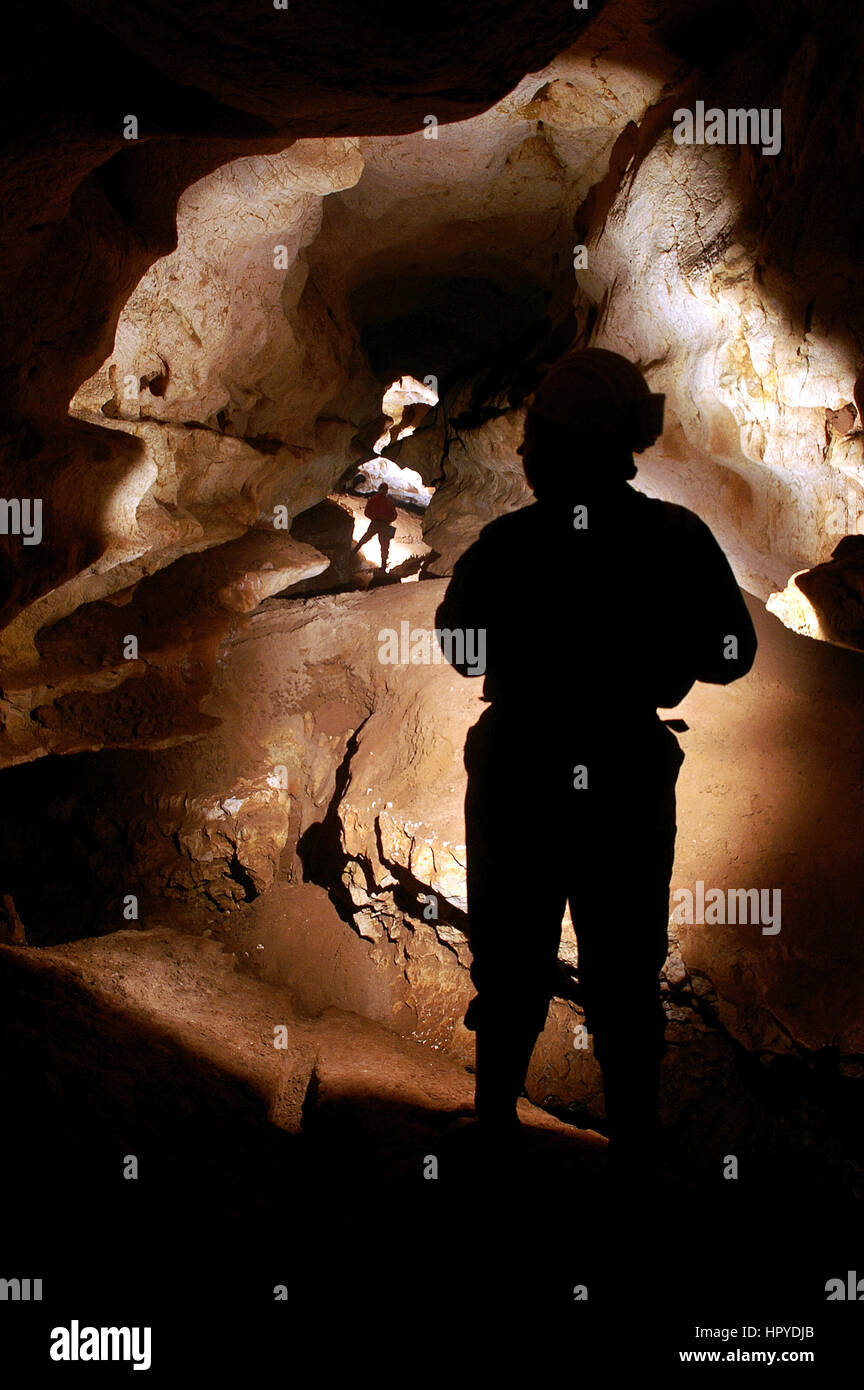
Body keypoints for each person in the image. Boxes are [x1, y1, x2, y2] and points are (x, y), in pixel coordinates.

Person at [435, 348, 757, 1169]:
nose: (523, 453)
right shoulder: (675, 538)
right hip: (623, 768)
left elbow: (460, 650)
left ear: (556, 447)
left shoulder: (507, 544)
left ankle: (495, 1126)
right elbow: (731, 654)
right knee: (623, 973)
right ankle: (637, 1151)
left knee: (511, 960)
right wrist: (651, 646)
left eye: (534, 438)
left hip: (521, 767)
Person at [351, 482, 398, 570]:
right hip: (384, 525)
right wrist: (387, 519)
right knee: (384, 545)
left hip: (376, 523)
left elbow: (367, 512)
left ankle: (353, 552)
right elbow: (394, 515)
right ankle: (383, 567)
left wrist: (375, 517)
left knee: (366, 538)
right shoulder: (389, 502)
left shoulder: (373, 499)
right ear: (386, 491)